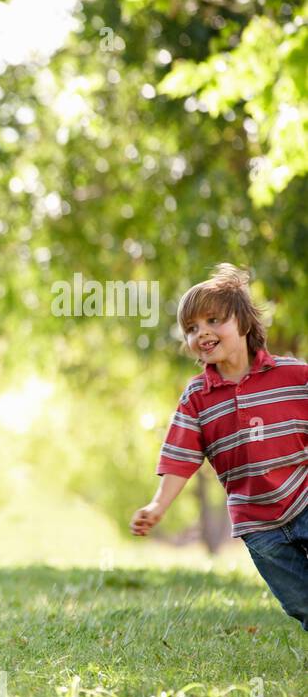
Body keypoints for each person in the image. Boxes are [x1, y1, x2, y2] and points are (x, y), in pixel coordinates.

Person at [132, 264, 308, 630]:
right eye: (192, 328)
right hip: (257, 523)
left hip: (304, 498)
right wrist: (157, 505)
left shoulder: (293, 377)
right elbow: (180, 457)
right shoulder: (198, 397)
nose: (203, 332)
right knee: (300, 601)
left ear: (243, 324)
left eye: (213, 320)